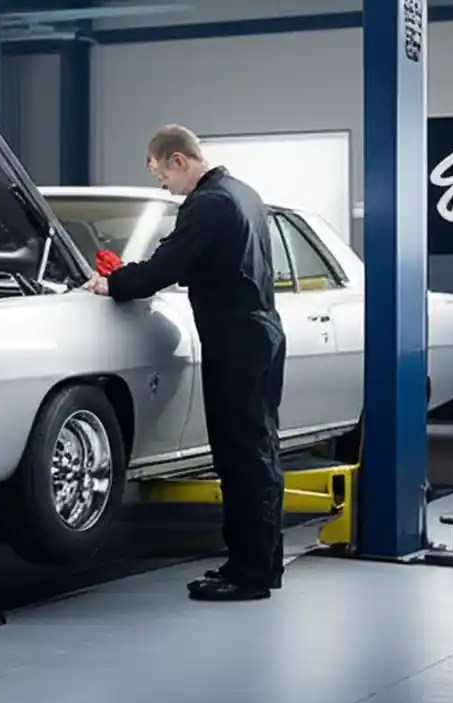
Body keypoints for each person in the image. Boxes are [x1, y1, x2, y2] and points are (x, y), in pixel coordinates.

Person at [84, 125, 287, 601]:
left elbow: (167, 266)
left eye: (161, 177)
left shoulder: (209, 203)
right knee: (258, 452)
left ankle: (248, 576)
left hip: (236, 343)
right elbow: (203, 262)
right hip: (259, 336)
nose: (165, 188)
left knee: (241, 458)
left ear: (177, 160)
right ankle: (261, 564)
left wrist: (111, 285)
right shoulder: (244, 194)